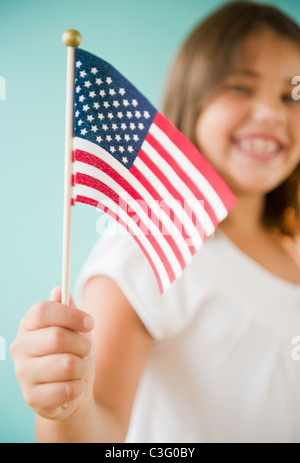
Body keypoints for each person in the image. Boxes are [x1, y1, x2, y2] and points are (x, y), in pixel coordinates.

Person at [11, 1, 300, 443]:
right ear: (193, 97)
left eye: (290, 95)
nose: (272, 114)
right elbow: (98, 432)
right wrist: (65, 406)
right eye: (242, 87)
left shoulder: (290, 244)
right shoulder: (147, 243)